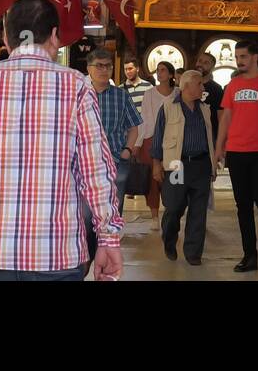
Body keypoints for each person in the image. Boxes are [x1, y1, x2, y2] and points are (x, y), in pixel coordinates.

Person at [0, 0, 125, 282]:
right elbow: (96, 173)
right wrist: (108, 239)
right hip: (56, 253)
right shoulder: (76, 86)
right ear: (55, 36)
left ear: (6, 38)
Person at [213, 41, 258, 272]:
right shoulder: (233, 85)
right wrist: (218, 148)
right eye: (237, 57)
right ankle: (250, 255)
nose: (239, 60)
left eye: (243, 56)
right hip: (236, 151)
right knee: (242, 205)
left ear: (255, 57)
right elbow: (225, 119)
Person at [152, 70, 217, 264]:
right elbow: (158, 137)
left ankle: (193, 253)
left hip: (201, 165)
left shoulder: (205, 109)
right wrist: (157, 164)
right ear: (187, 86)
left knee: (198, 210)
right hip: (176, 164)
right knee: (173, 206)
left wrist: (213, 164)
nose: (203, 87)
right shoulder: (168, 107)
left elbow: (209, 138)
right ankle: (169, 240)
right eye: (199, 84)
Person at [87, 47, 143, 216]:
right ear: (89, 68)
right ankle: (90, 241)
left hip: (116, 159)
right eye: (99, 66)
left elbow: (134, 126)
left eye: (108, 66)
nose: (104, 70)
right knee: (86, 209)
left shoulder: (122, 95)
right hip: (86, 161)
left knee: (114, 206)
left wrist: (127, 150)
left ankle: (111, 238)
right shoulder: (78, 94)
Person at [136, 61, 177, 230]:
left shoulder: (178, 93)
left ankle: (172, 212)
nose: (159, 73)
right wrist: (137, 143)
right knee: (152, 179)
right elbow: (144, 119)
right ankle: (154, 216)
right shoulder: (150, 94)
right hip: (151, 138)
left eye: (163, 70)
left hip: (173, 140)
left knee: (173, 176)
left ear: (171, 74)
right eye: (158, 70)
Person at [194, 52, 224, 139]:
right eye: (200, 61)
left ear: (212, 67)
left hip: (209, 137)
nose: (201, 64)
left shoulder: (217, 89)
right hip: (188, 137)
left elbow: (221, 118)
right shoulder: (186, 85)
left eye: (206, 63)